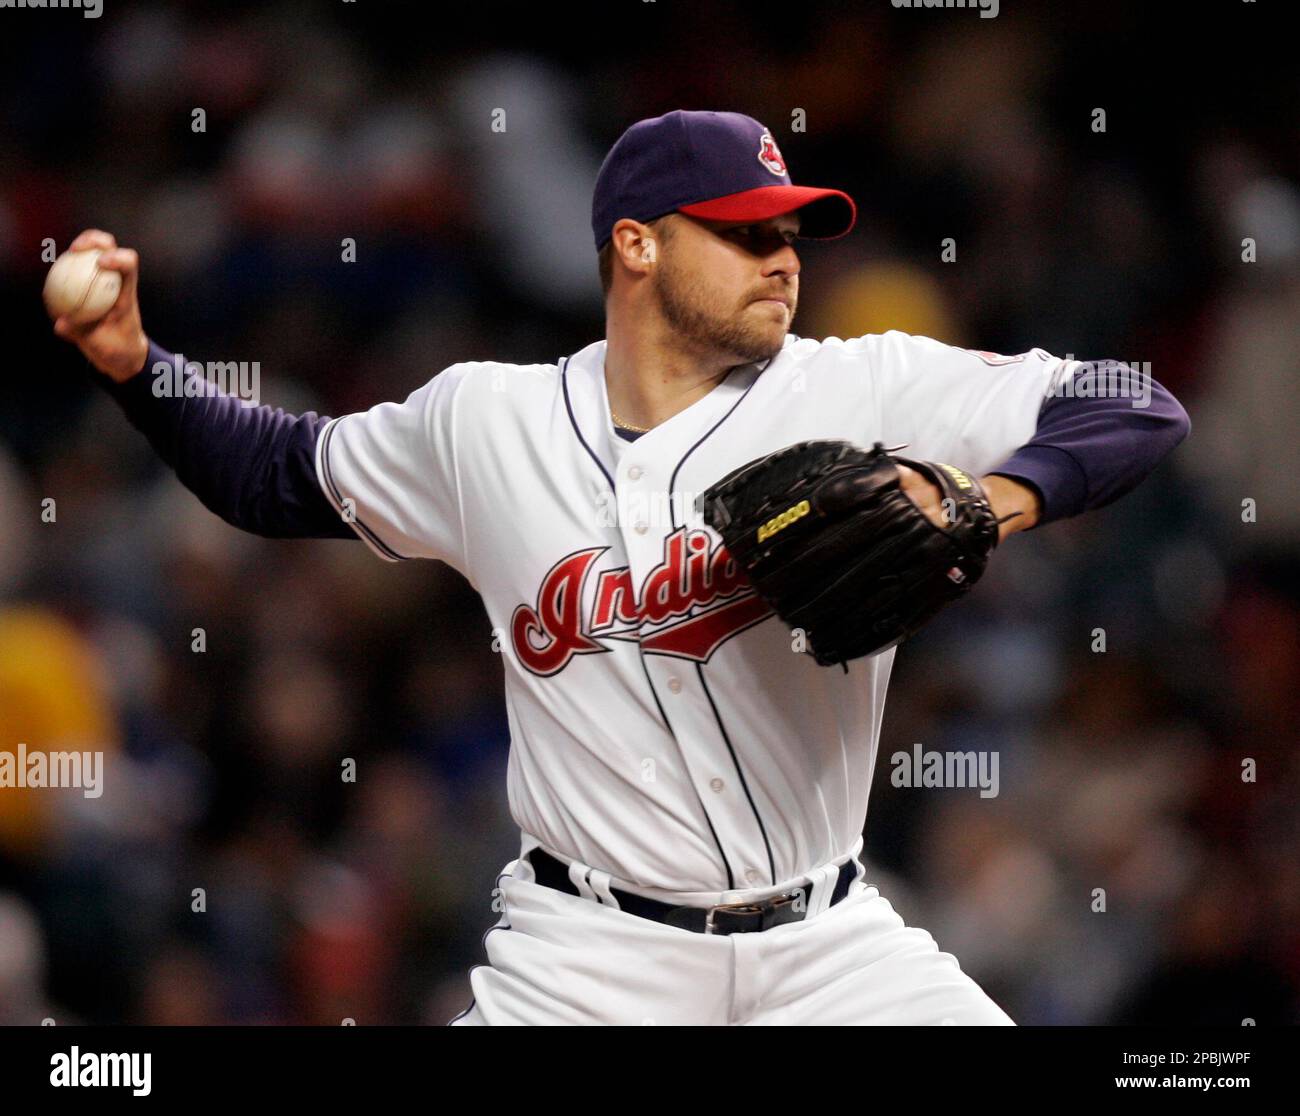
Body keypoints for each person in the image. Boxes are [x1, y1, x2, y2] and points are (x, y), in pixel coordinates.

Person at [54, 110, 1189, 1025]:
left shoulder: (858, 385)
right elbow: (275, 473)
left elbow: (1134, 403)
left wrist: (983, 502)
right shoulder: (486, 423)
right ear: (636, 244)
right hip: (588, 962)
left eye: (789, 234)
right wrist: (133, 361)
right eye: (744, 233)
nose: (781, 262)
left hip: (831, 950)